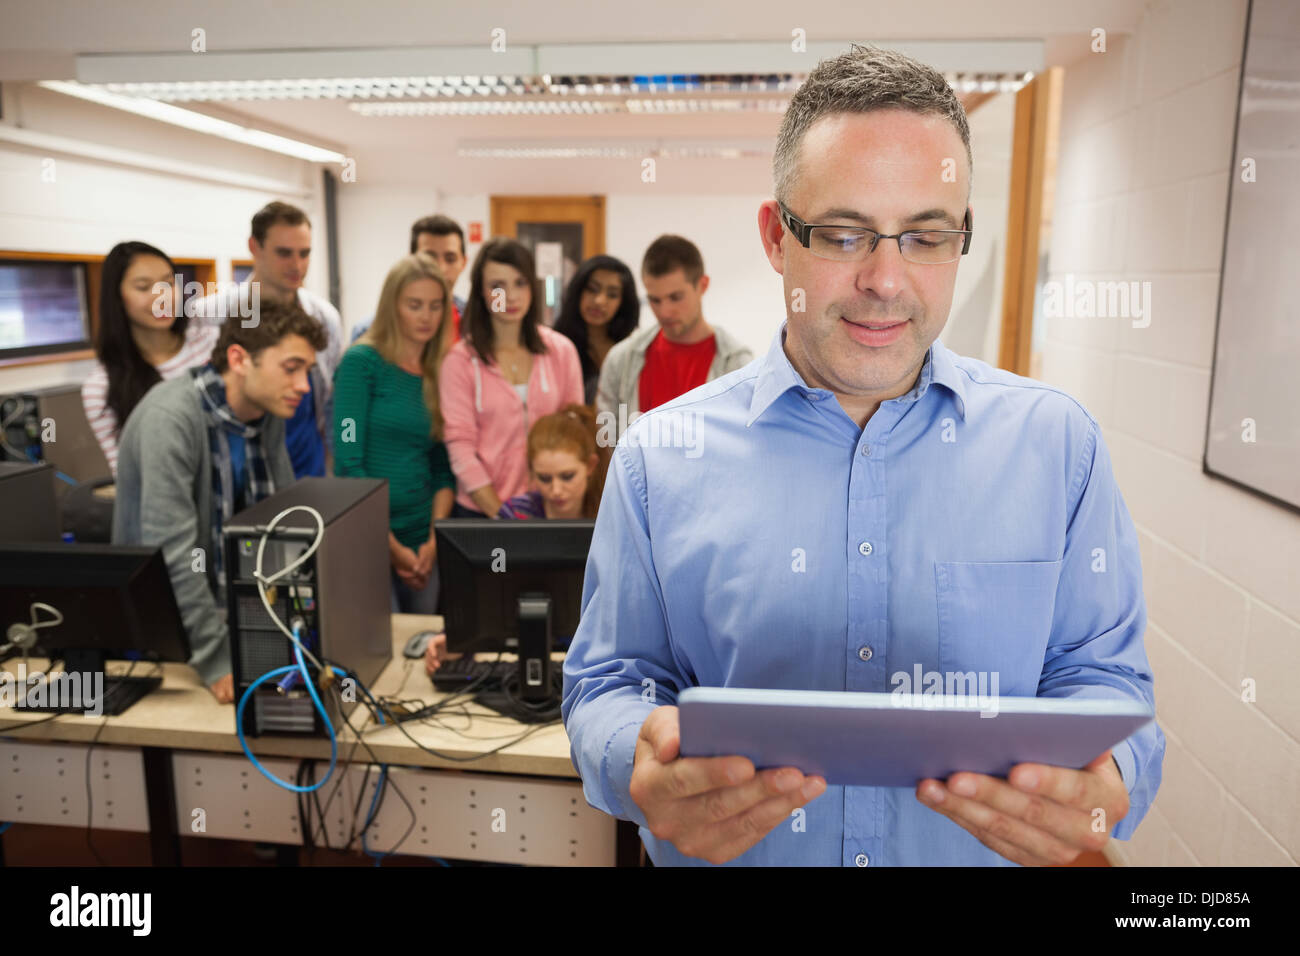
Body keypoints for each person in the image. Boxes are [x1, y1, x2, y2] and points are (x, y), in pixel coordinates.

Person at [562, 44, 1164, 867]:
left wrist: (1108, 782)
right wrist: (637, 757)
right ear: (777, 237)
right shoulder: (658, 458)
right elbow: (608, 682)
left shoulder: (1059, 448)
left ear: (963, 240)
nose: (886, 280)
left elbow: (1108, 684)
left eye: (925, 236)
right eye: (844, 234)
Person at [112, 299, 327, 703]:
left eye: (308, 371)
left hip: (232, 621)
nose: (303, 386)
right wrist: (217, 660)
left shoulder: (267, 416)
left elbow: (283, 529)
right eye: (291, 368)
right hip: (168, 640)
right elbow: (174, 552)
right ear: (239, 359)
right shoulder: (171, 419)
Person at [333, 253, 456, 614]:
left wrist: (434, 539)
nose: (426, 316)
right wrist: (391, 547)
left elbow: (441, 468)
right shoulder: (361, 363)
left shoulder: (437, 370)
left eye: (435, 306)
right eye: (414, 305)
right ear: (392, 306)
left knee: (421, 649)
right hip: (369, 539)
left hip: (423, 542)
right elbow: (348, 462)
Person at [192, 201, 342, 479]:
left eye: (305, 253)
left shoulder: (325, 318)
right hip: (237, 462)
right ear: (254, 247)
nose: (297, 265)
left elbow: (327, 398)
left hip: (306, 461)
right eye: (284, 253)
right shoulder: (210, 315)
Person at [439, 238, 584, 518]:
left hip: (552, 506)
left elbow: (572, 431)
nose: (511, 296)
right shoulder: (460, 361)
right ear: (481, 292)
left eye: (520, 283)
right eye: (497, 286)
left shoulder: (561, 351)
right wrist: (502, 515)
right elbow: (460, 446)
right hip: (481, 511)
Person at [596, 235, 752, 440]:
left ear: (702, 286)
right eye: (655, 300)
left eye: (675, 298)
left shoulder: (737, 365)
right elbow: (608, 442)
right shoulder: (621, 360)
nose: (665, 311)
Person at [81, 241, 218, 475]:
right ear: (117, 297)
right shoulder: (101, 388)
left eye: (168, 283)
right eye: (144, 287)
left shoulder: (209, 341)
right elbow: (127, 475)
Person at [350, 215, 469, 344]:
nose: (440, 268)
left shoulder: (478, 327)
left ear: (463, 262)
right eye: (429, 257)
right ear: (411, 260)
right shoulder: (368, 333)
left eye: (450, 259)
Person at [552, 256, 639, 405]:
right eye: (592, 289)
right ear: (578, 291)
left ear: (623, 302)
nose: (599, 301)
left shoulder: (631, 351)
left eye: (612, 295)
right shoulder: (557, 348)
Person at [498, 404, 609, 520]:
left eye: (567, 476)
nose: (556, 490)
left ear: (590, 466)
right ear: (531, 470)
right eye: (544, 478)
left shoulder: (612, 515)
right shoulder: (514, 513)